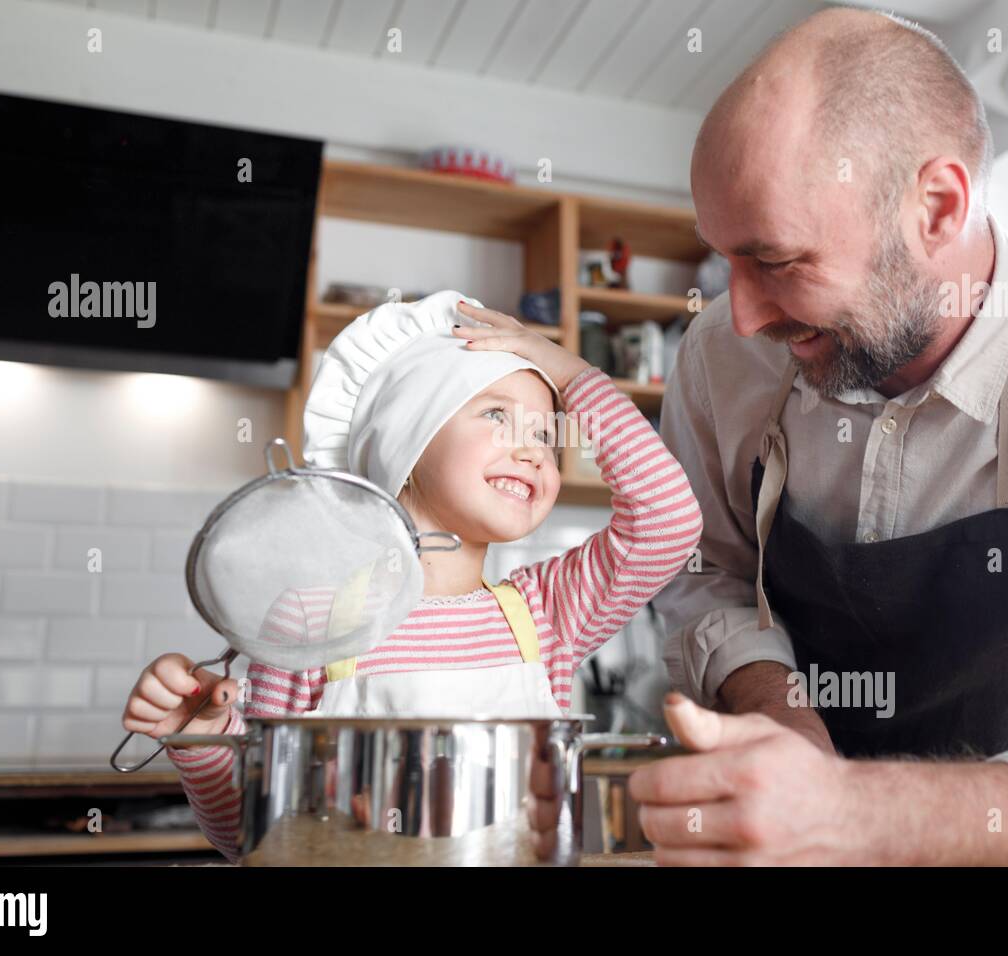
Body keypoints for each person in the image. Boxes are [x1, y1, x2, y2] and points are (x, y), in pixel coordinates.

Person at [636, 7, 1008, 865]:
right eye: (724, 262)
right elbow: (702, 571)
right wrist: (779, 715)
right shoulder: (722, 358)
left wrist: (848, 816)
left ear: (937, 207)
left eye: (778, 262)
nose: (740, 315)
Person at [119, 290, 703, 862]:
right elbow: (253, 836)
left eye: (548, 434)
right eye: (497, 415)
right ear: (406, 442)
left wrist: (571, 372)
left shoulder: (547, 611)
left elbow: (669, 520)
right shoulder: (308, 623)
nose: (533, 450)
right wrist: (206, 736)